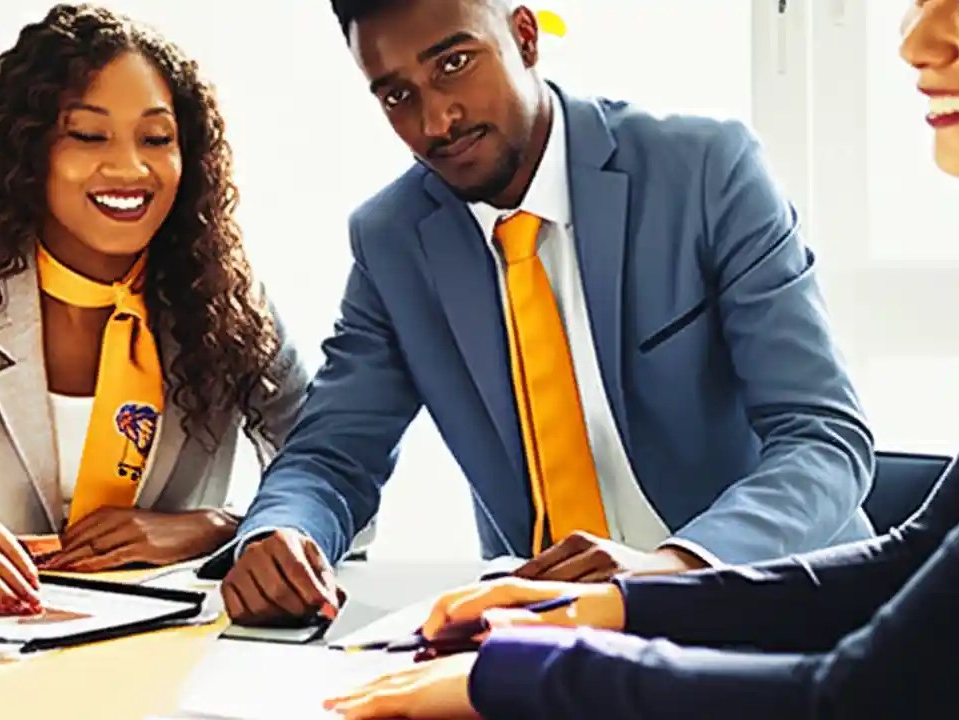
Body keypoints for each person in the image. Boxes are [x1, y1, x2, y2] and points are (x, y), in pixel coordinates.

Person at [321, 0, 959, 717]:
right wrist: (603, 610)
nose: (915, 40)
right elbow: (912, 554)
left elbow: (883, 692)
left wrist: (519, 675)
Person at [215, 0, 875, 625]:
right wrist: (282, 531)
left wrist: (673, 568)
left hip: (768, 612)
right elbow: (333, 458)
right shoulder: (394, 239)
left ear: (525, 37)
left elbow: (824, 438)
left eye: (454, 63)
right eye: (397, 95)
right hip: (554, 643)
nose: (435, 120)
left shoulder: (703, 170)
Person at [0, 3, 306, 614]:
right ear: (31, 148)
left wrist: (219, 526)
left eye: (156, 139)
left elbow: (339, 496)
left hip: (172, 661)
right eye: (89, 135)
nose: (130, 167)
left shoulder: (224, 301)